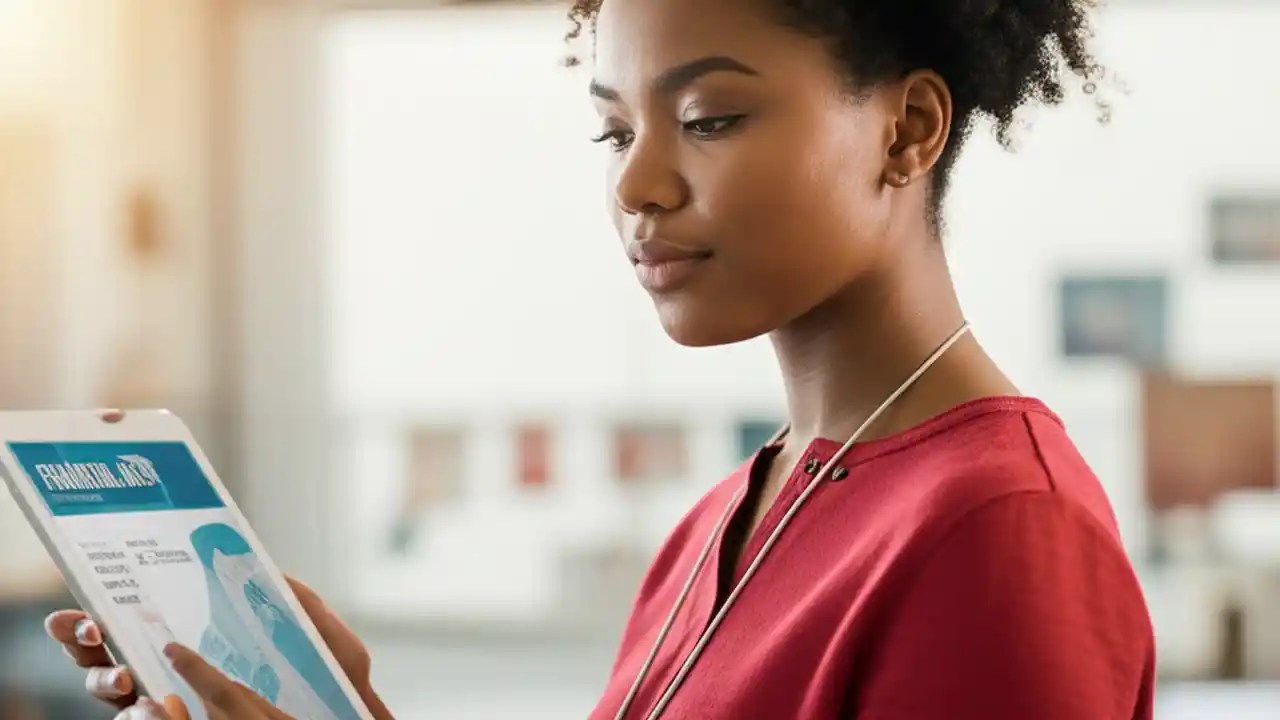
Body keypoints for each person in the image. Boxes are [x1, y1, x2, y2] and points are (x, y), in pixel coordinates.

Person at [45, 0, 1156, 717]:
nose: (635, 187)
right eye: (615, 131)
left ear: (908, 130)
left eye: (710, 117)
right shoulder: (727, 515)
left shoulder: (1000, 528)